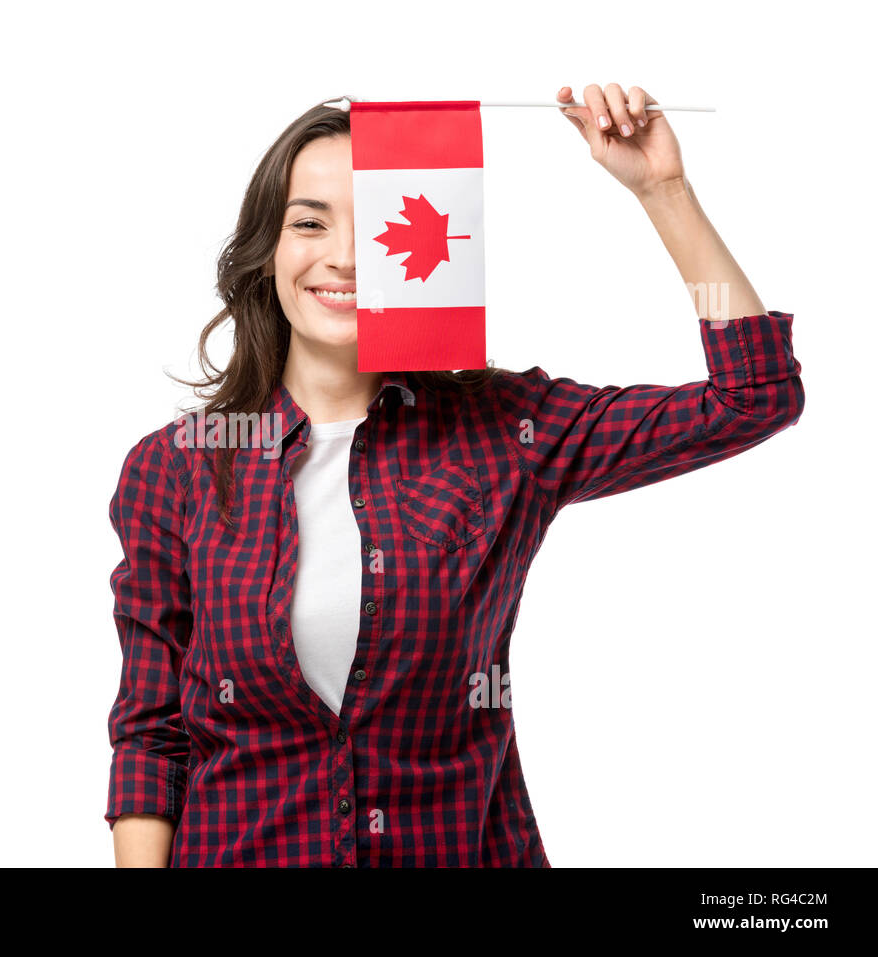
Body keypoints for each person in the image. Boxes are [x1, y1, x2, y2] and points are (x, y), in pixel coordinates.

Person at [104, 84, 805, 867]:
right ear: (268, 248)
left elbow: (754, 396)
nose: (344, 256)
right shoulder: (175, 469)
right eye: (310, 221)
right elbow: (151, 731)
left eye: (378, 226)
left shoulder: (506, 431)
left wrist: (663, 191)